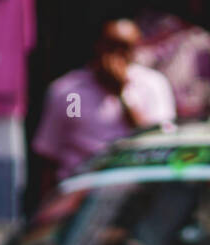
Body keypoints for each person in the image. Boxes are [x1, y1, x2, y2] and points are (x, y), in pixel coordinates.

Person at [32, 19, 176, 193]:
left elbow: (159, 142)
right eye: (111, 46)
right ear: (98, 46)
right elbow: (49, 156)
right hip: (80, 190)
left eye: (125, 48)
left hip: (132, 192)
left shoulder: (153, 85)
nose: (116, 55)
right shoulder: (69, 91)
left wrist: (121, 94)